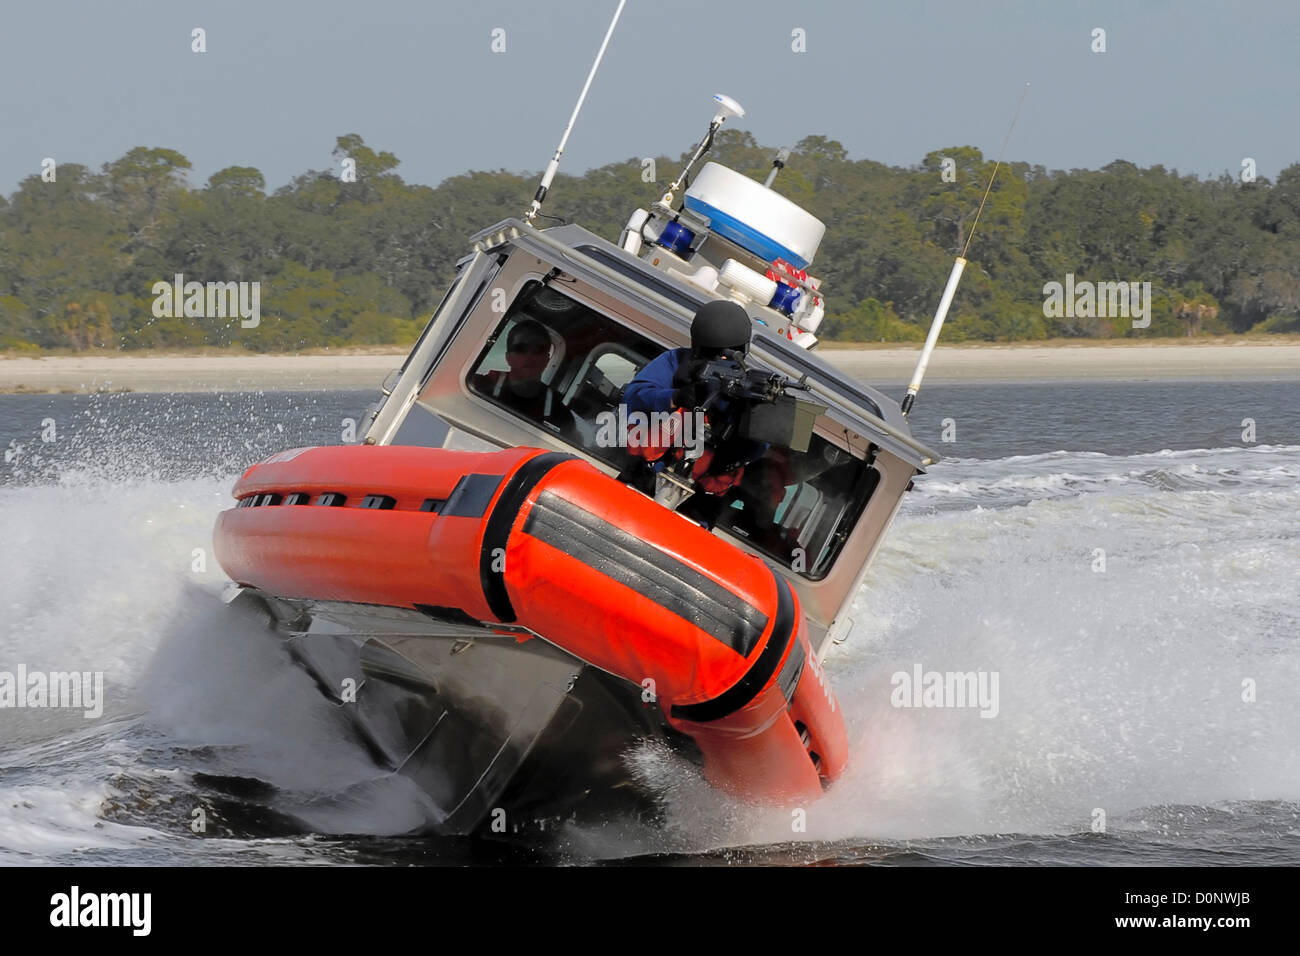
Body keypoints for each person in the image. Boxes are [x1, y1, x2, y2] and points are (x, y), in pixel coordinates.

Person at [620, 300, 766, 527]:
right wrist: (675, 397)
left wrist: (734, 427)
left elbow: (759, 445)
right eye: (709, 354)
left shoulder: (749, 386)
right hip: (641, 482)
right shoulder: (676, 362)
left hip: (696, 508)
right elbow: (634, 396)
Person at [472, 318, 577, 436]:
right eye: (521, 349)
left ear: (547, 359)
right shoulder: (477, 387)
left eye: (538, 350)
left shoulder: (561, 415)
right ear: (508, 357)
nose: (529, 356)